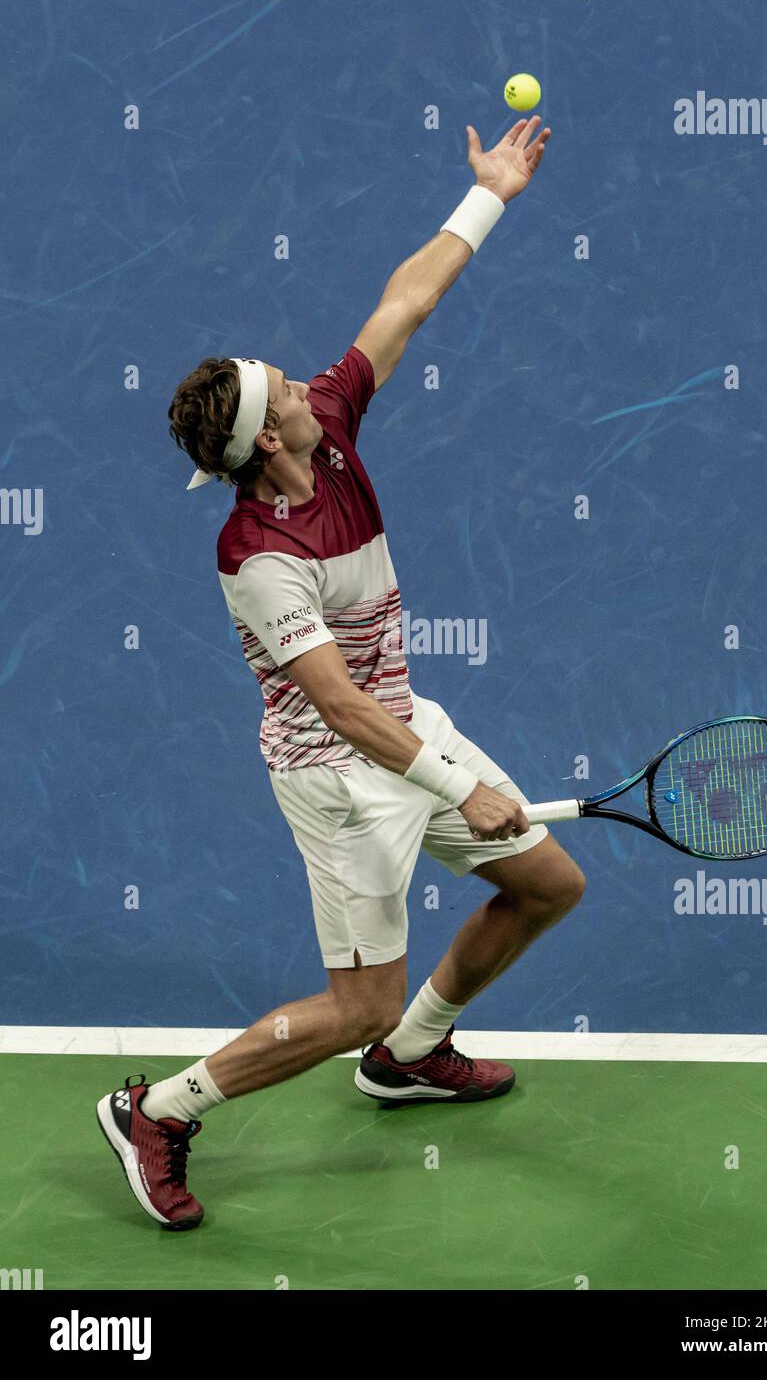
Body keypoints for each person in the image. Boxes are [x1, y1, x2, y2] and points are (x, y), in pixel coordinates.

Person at [97, 115, 585, 1230]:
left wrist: (489, 196)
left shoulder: (326, 427)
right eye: (280, 384)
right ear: (271, 441)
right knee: (348, 1002)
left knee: (547, 885)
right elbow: (339, 707)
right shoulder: (259, 559)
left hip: (402, 724)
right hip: (340, 773)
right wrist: (458, 786)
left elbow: (401, 302)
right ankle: (155, 1110)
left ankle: (408, 1055)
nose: (297, 374)